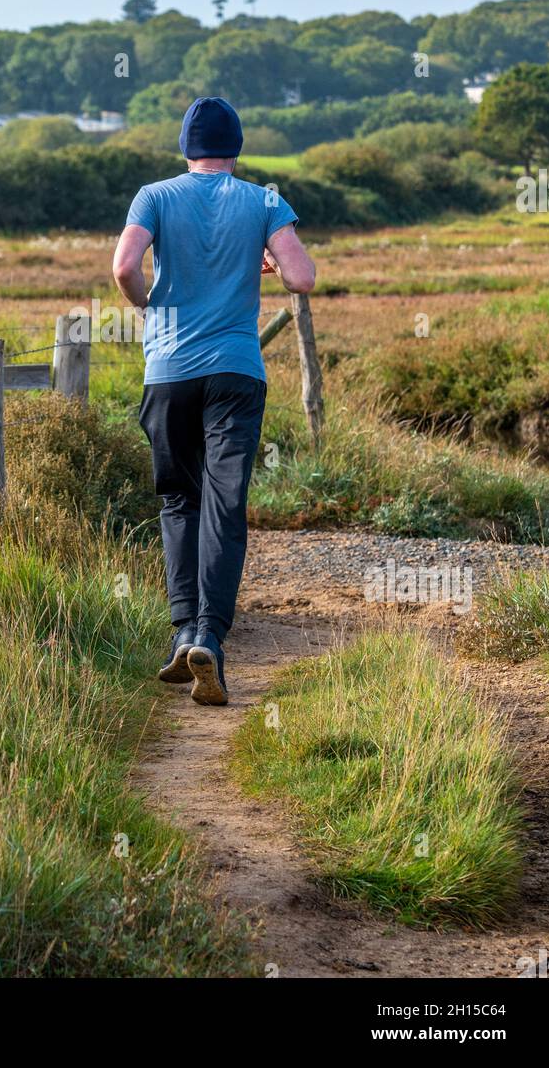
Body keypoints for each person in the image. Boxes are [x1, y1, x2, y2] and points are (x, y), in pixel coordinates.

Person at [112, 97, 316, 705]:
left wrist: (151, 309)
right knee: (226, 507)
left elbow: (124, 266)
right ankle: (211, 641)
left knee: (180, 501)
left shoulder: (153, 195)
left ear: (185, 147)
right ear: (237, 147)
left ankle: (181, 634)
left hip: (168, 372)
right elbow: (303, 278)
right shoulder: (263, 200)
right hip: (235, 373)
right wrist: (269, 260)